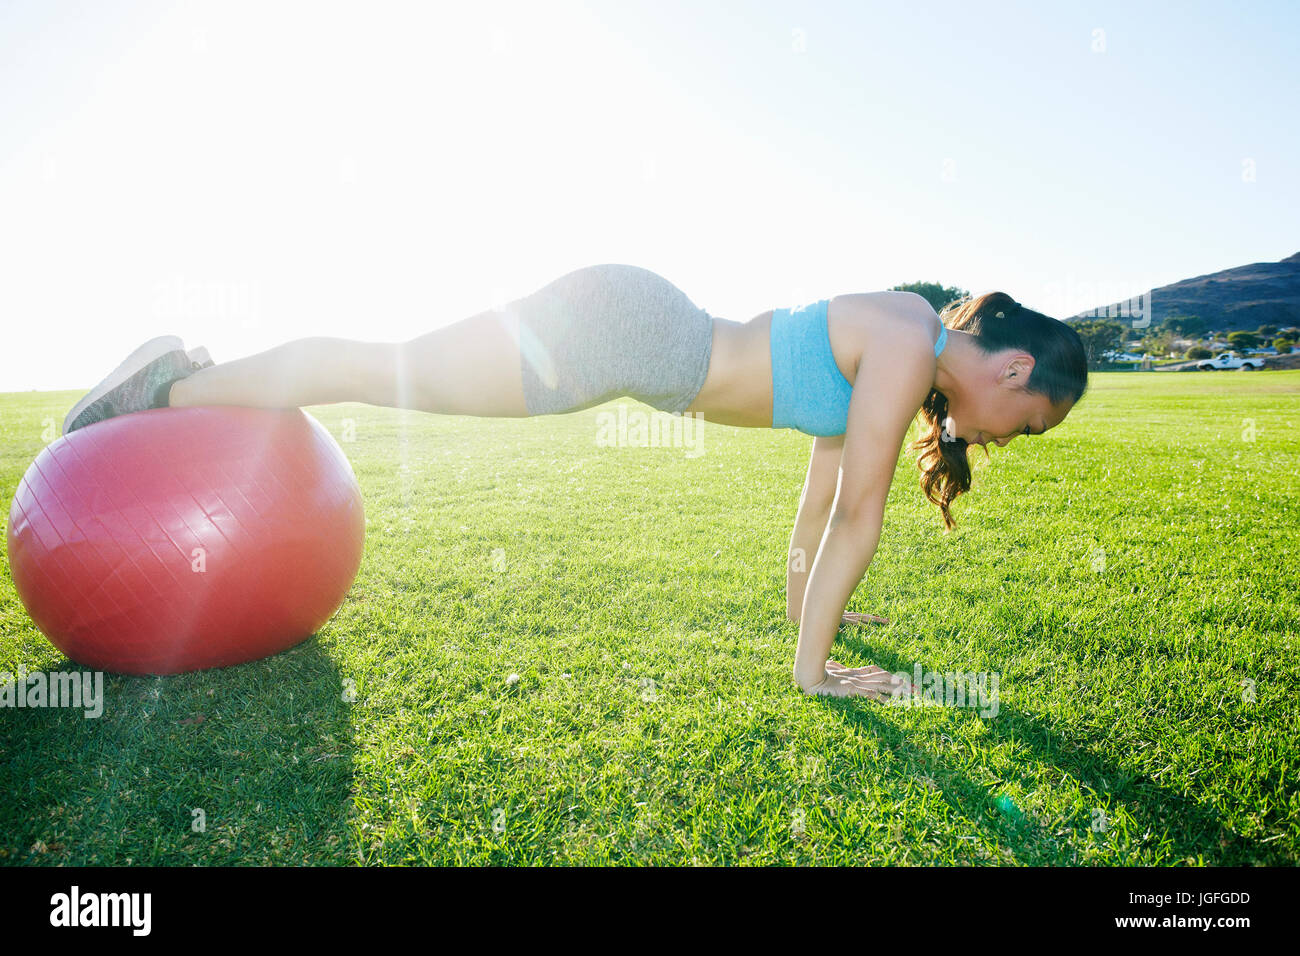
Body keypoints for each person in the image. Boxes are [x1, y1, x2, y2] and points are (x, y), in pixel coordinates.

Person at [62, 262, 1088, 699]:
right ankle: (171, 380)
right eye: (1025, 421)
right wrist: (810, 671)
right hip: (625, 340)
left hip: (631, 332)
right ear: (1009, 370)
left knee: (388, 366)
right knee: (386, 370)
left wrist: (809, 621)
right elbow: (862, 510)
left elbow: (820, 500)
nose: (1007, 438)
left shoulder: (903, 333)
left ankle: (184, 374)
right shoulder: (907, 346)